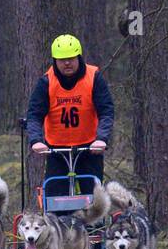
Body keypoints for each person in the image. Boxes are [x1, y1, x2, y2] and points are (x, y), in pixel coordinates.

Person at [25, 34, 114, 197]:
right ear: (55, 61)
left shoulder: (94, 77)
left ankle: (95, 223)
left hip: (89, 148)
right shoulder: (46, 82)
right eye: (62, 59)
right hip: (56, 150)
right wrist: (36, 140)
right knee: (56, 201)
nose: (67, 63)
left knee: (94, 199)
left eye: (71, 58)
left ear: (78, 57)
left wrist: (102, 138)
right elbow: (34, 115)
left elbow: (106, 111)